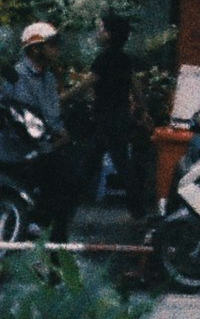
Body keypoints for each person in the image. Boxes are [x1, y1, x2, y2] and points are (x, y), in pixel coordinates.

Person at [2, 21, 77, 240]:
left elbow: (53, 115)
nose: (56, 50)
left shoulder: (50, 78)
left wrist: (60, 133)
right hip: (18, 146)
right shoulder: (14, 77)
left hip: (46, 144)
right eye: (51, 44)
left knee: (70, 185)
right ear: (35, 48)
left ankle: (55, 253)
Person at [85, 13, 141, 218]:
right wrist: (143, 110)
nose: (98, 32)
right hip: (120, 116)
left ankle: (69, 202)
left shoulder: (104, 59)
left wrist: (62, 97)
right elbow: (135, 86)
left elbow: (88, 82)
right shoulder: (125, 59)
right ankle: (137, 208)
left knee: (112, 161)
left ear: (109, 34)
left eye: (101, 29)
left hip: (105, 118)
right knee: (117, 160)